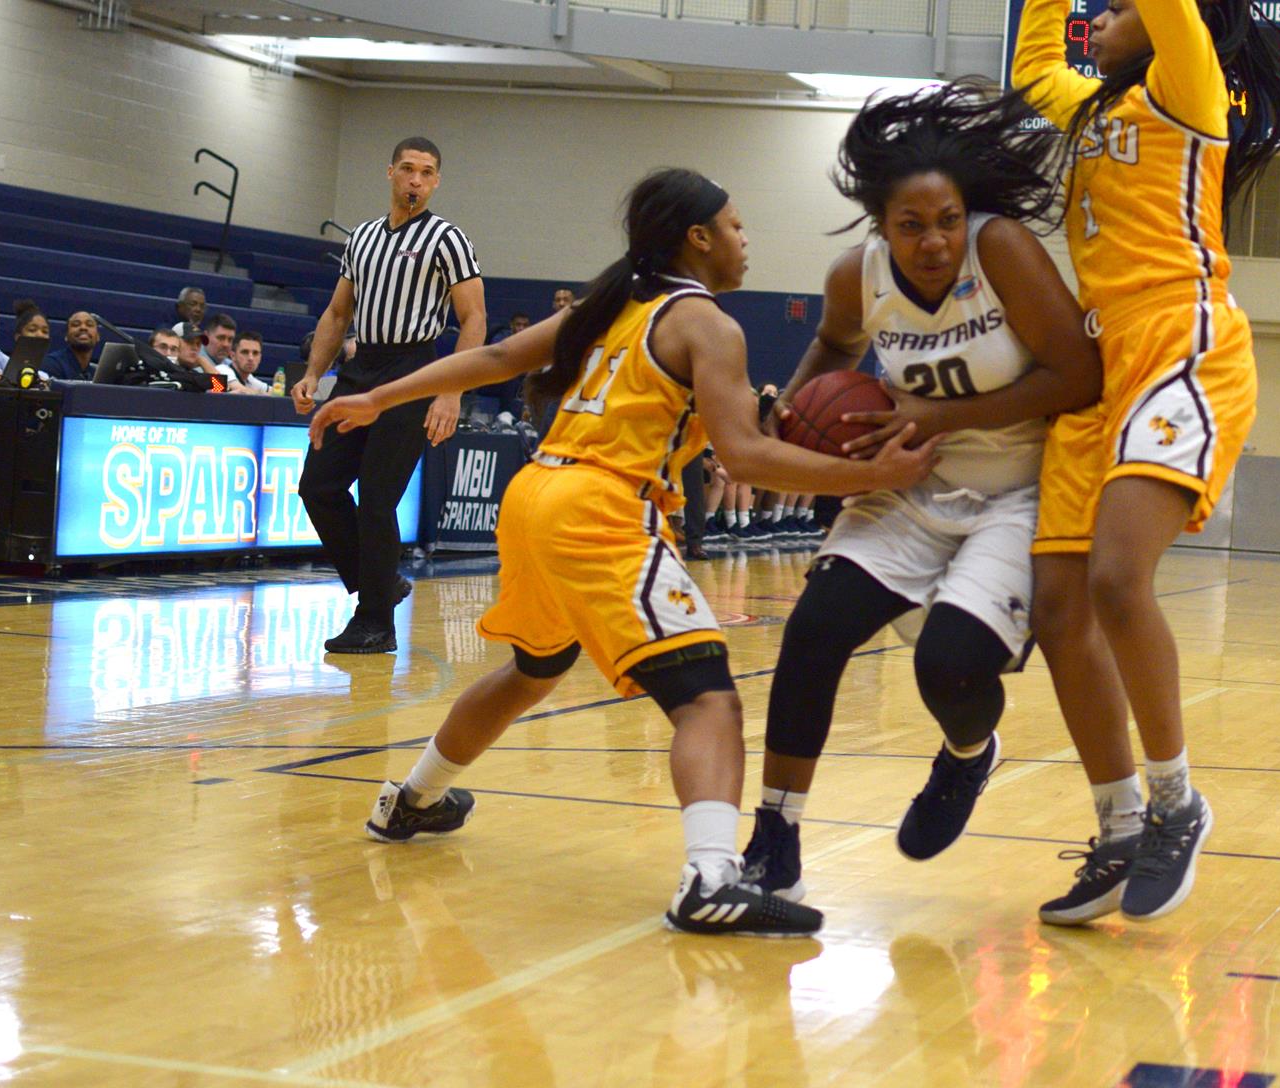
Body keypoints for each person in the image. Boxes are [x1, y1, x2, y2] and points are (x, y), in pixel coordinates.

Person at [307, 168, 942, 936]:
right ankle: (710, 879)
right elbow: (743, 459)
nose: (748, 241)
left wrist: (378, 396)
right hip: (599, 508)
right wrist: (871, 474)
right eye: (737, 226)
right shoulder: (707, 324)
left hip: (535, 493)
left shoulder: (616, 305)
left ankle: (410, 800)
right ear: (699, 238)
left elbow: (497, 360)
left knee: (533, 670)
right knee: (708, 699)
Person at [737, 83, 1103, 908]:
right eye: (912, 226)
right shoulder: (856, 276)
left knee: (948, 667)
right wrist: (792, 421)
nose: (933, 241)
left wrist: (938, 413)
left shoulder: (999, 248)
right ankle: (775, 837)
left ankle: (968, 757)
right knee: (813, 634)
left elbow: (1078, 376)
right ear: (882, 226)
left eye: (944, 220)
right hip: (907, 486)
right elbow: (836, 343)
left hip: (1015, 492)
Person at [1012, 0, 1280, 919]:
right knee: (1057, 609)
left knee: (1117, 580)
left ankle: (1179, 802)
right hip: (1097, 363)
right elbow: (1031, 69)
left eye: (1121, 8)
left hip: (1182, 342)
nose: (1104, 16)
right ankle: (1120, 825)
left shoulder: (1190, 85)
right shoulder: (1092, 108)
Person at [293, 136, 487, 654]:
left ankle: (375, 622)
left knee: (378, 501)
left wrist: (450, 393)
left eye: (426, 172)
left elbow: (474, 320)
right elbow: (338, 314)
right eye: (408, 169)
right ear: (391, 173)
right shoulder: (362, 238)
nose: (416, 180)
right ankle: (382, 583)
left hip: (415, 371)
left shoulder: (447, 238)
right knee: (318, 486)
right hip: (362, 369)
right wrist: (316, 372)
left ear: (436, 181)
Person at [42, 311, 101, 380]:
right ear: (66, 336)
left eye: (89, 325)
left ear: (98, 336)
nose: (83, 327)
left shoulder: (96, 374)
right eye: (76, 324)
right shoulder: (51, 364)